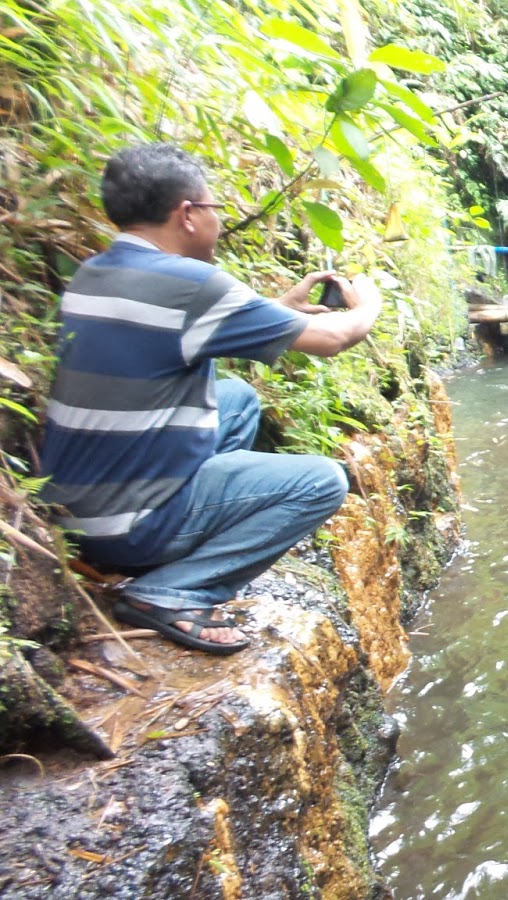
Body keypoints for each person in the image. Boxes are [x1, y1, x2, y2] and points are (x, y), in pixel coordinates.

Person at [39, 143, 382, 654]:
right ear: (187, 215)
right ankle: (173, 589)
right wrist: (368, 303)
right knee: (321, 481)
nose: (218, 221)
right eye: (215, 209)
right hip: (126, 521)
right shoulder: (192, 284)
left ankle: (179, 541)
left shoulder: (93, 272)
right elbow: (333, 339)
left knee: (238, 398)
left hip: (78, 511)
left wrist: (280, 308)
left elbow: (177, 332)